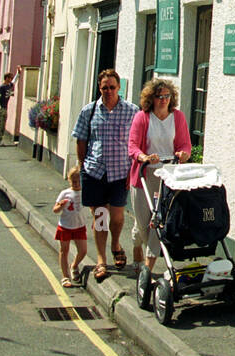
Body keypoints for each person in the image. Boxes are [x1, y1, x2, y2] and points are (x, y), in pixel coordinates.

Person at [72, 69, 139, 279]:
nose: (108, 91)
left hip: (121, 172)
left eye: (112, 87)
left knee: (117, 217)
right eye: (104, 88)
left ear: (119, 87)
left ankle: (116, 243)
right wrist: (83, 166)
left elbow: (136, 141)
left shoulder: (132, 111)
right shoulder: (89, 111)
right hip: (95, 172)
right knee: (100, 216)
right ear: (99, 88)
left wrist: (133, 170)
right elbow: (81, 140)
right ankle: (101, 260)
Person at [128, 78, 191, 273]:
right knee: (142, 221)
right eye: (159, 96)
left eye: (167, 96)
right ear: (151, 98)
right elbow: (132, 145)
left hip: (167, 175)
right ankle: (137, 242)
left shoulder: (177, 117)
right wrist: (143, 156)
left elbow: (184, 144)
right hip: (144, 176)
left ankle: (148, 266)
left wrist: (184, 154)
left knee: (157, 220)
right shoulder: (142, 117)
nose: (163, 100)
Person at [53, 166, 89, 288]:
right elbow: (55, 210)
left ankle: (74, 265)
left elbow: (92, 207)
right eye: (74, 181)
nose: (77, 184)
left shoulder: (85, 192)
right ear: (69, 180)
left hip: (79, 226)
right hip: (65, 226)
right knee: (64, 251)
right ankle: (65, 277)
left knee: (83, 251)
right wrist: (61, 206)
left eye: (79, 181)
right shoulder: (65, 193)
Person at [0, 69, 19, 145]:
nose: (11, 79)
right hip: (0, 107)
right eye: (10, 78)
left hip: (4, 107)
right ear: (6, 78)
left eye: (11, 78)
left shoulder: (8, 85)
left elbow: (14, 82)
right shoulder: (2, 87)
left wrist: (18, 73)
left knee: (3, 124)